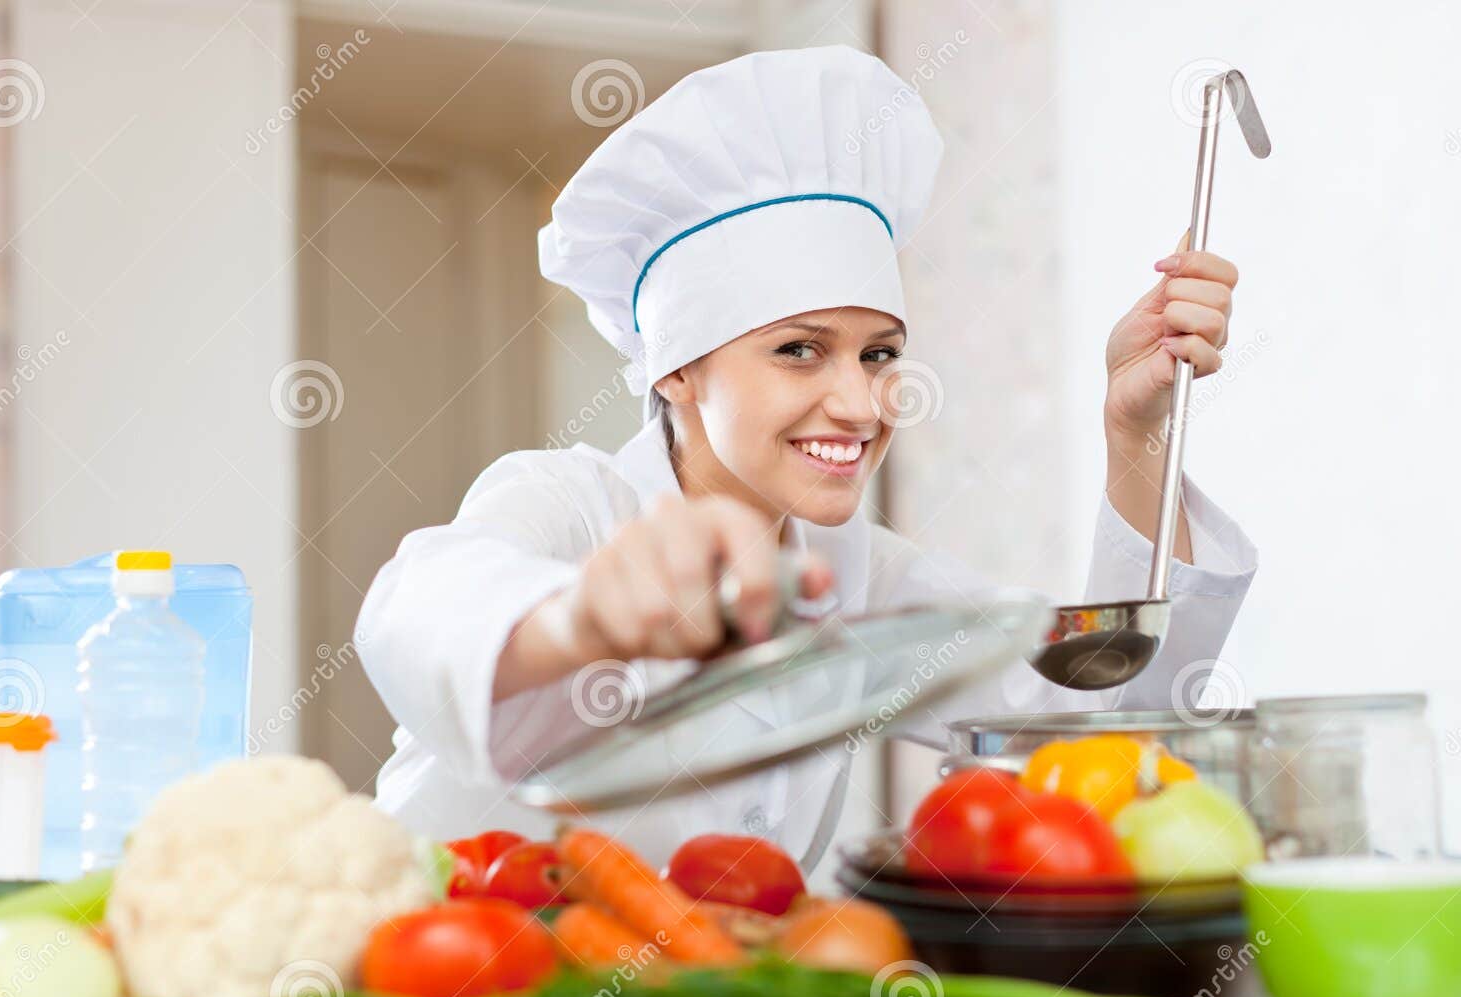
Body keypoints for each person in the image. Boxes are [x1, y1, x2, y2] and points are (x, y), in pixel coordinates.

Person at [357, 46, 1256, 866]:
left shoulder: (856, 571)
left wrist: (1134, 432)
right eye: (799, 350)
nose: (862, 405)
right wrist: (578, 624)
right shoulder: (565, 504)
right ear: (675, 369)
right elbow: (419, 607)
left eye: (879, 354)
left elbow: (1089, 721)